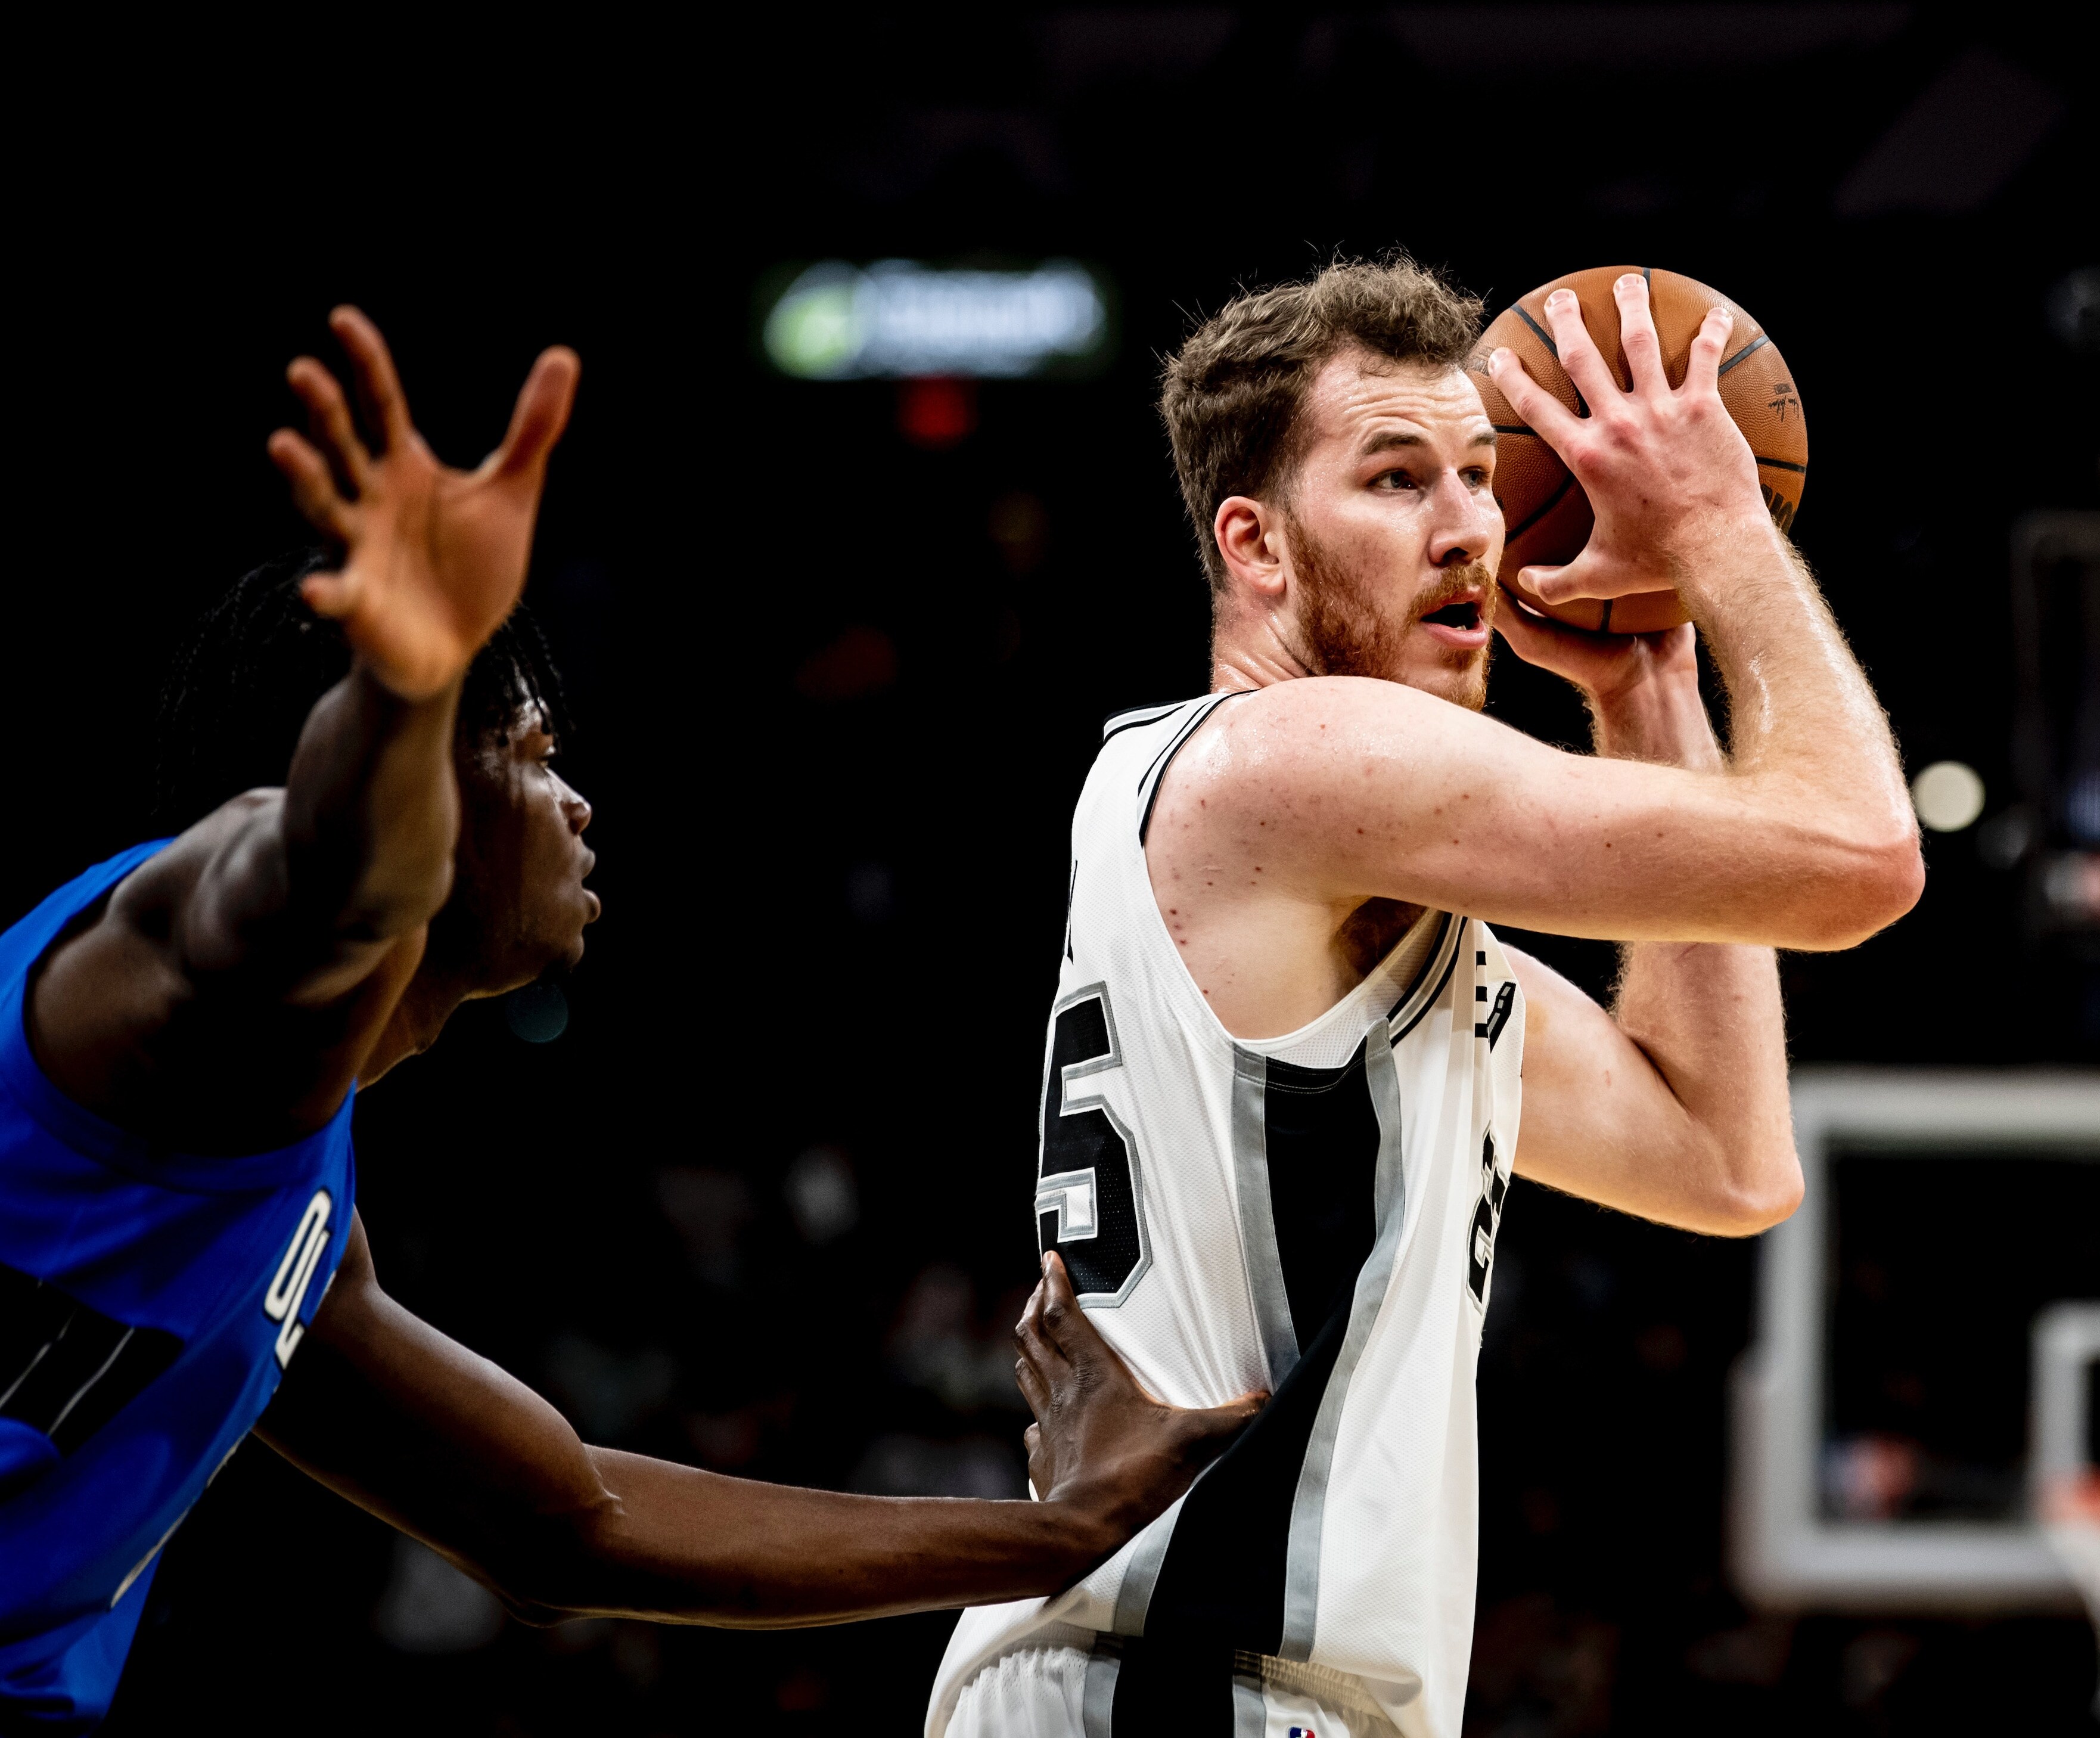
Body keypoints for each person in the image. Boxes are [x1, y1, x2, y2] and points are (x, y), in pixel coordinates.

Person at [0, 311, 1256, 1731]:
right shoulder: (167, 977)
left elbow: (570, 1525)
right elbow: (325, 875)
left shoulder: (289, 1206)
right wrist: (409, 687)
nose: (576, 802)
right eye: (532, 753)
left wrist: (1059, 1529)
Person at [928, 259, 1922, 1737]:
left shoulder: (1343, 903)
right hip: (1180, 1680)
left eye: (1480, 470)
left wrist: (1644, 686)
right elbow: (1859, 857)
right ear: (1253, 546)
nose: (1470, 525)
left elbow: (1727, 1160)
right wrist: (1717, 522)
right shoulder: (1289, 757)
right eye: (1397, 479)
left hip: (1225, 1687)